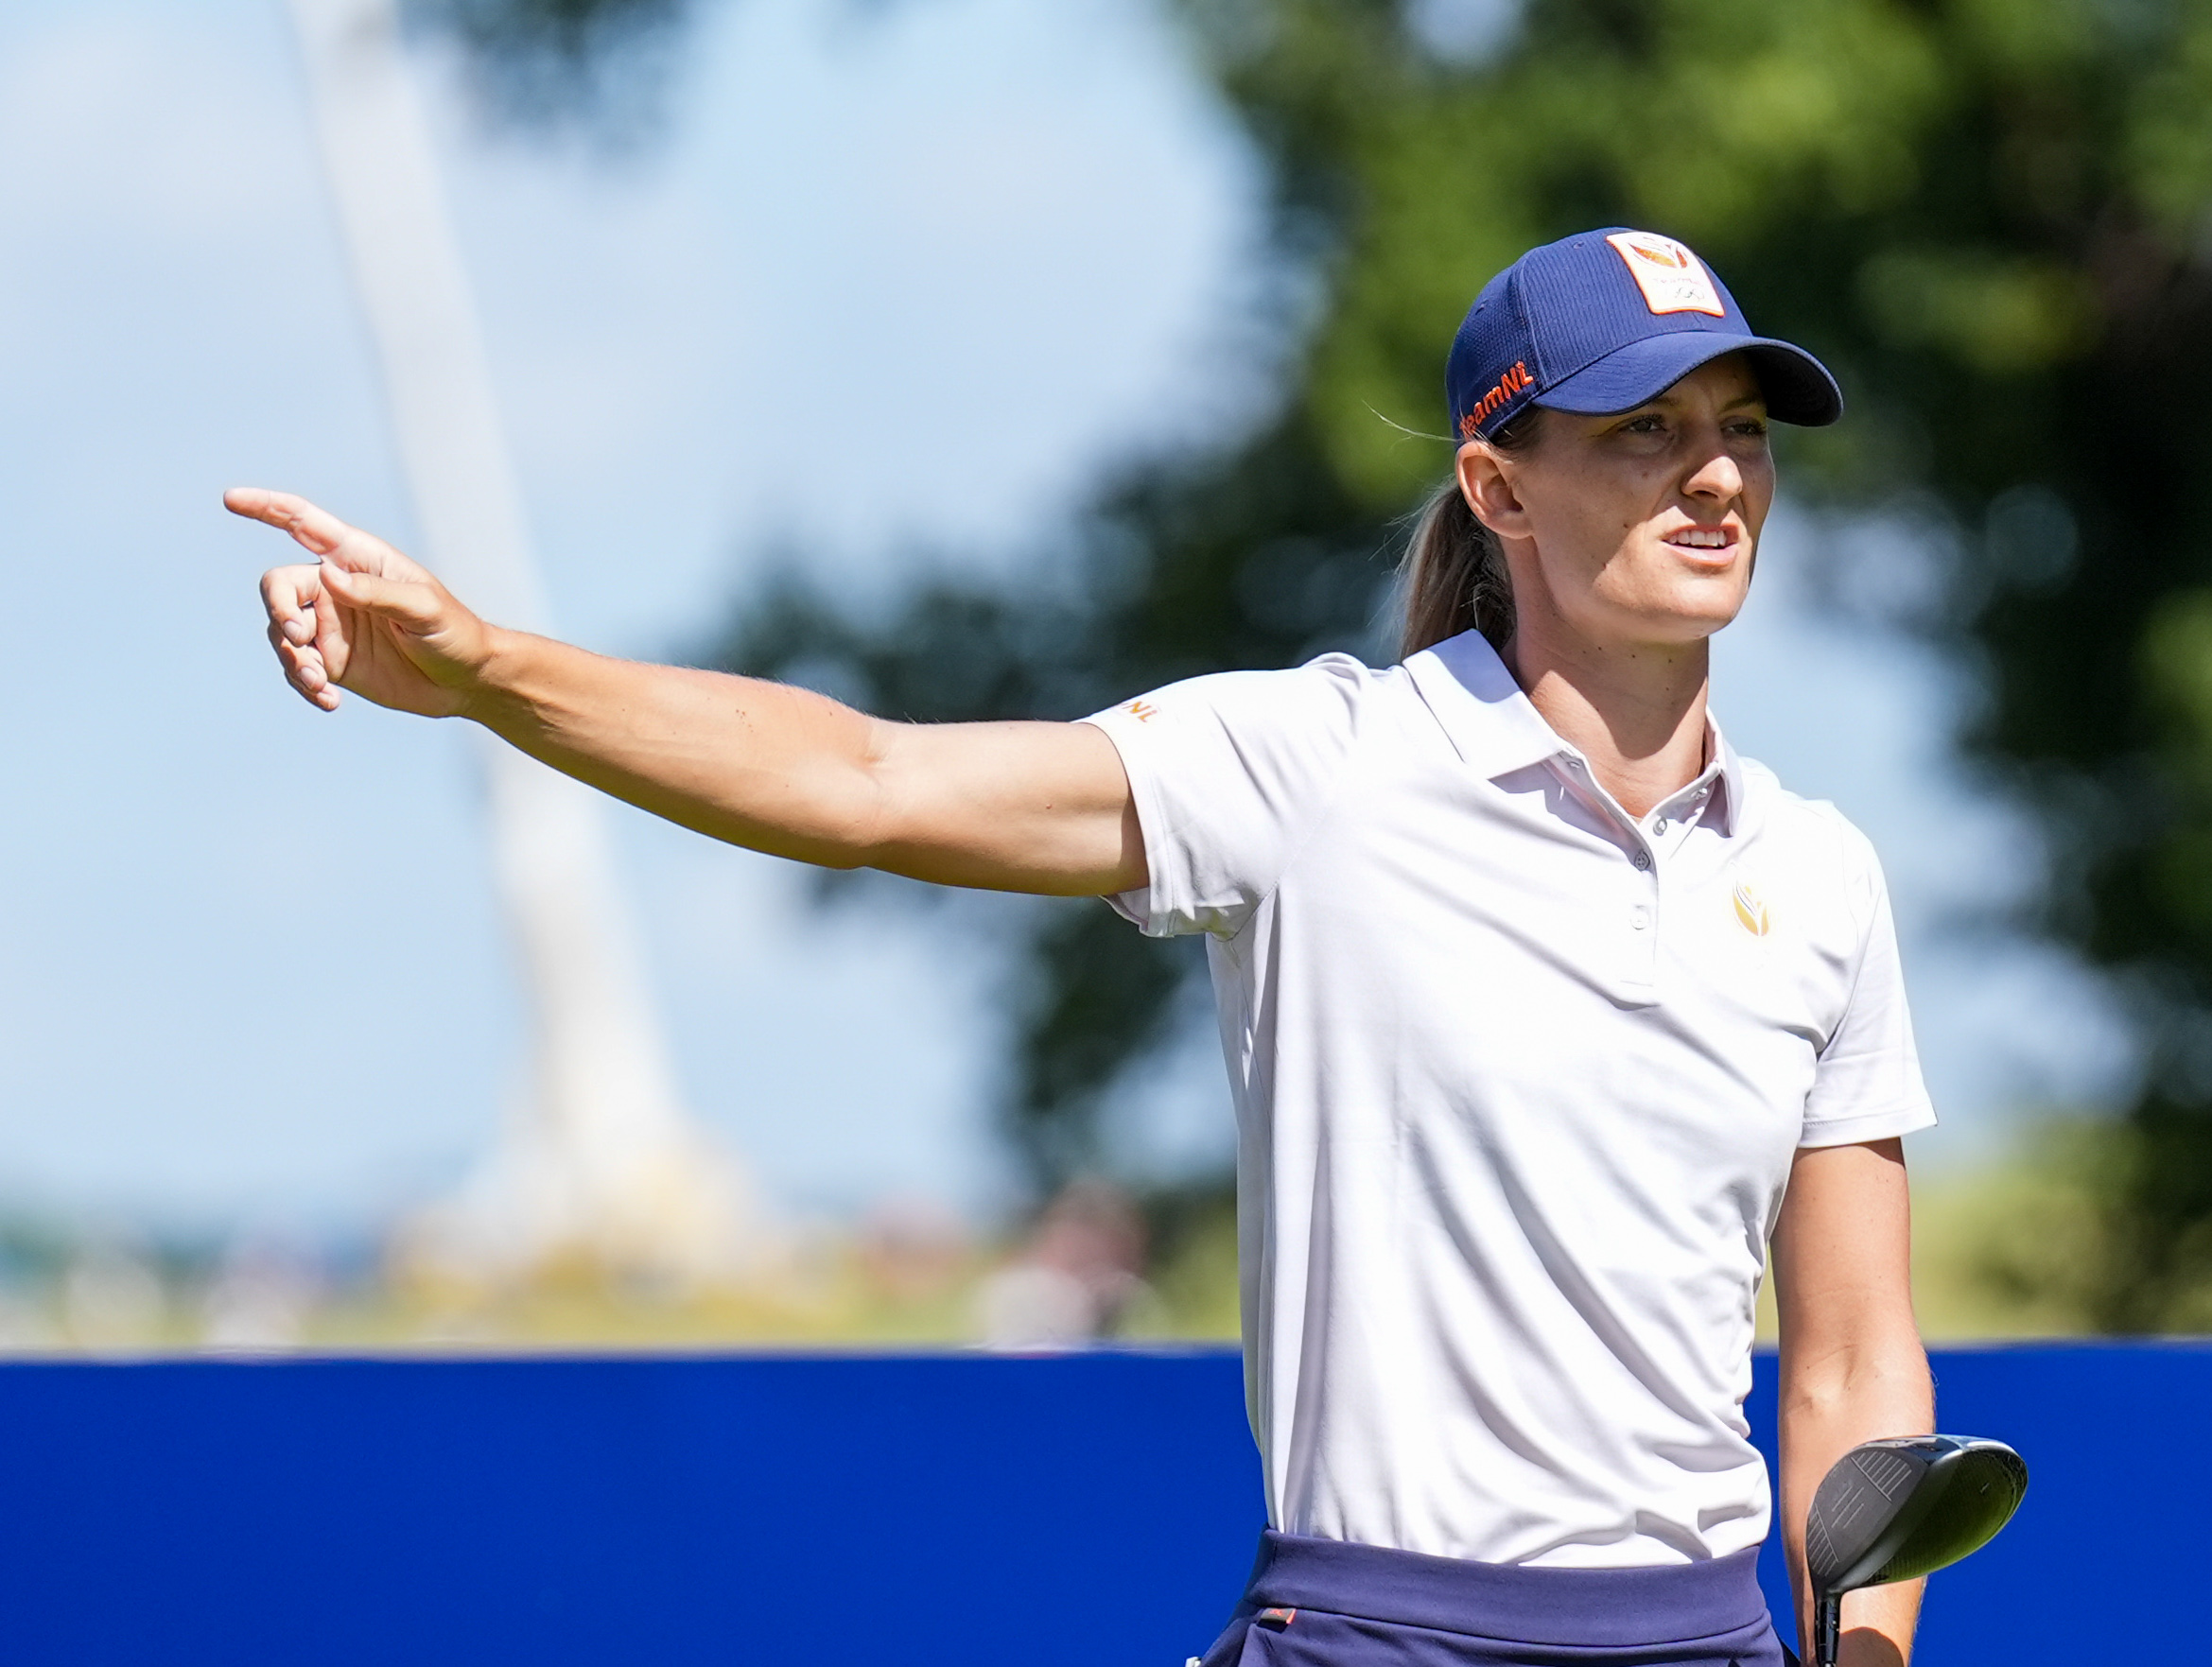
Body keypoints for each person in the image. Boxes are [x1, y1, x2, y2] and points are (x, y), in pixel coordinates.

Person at [239, 227, 1934, 1667]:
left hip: (1709, 1636)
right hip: (1378, 1631)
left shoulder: (1822, 875)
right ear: (1498, 483)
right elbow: (864, 781)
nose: (1715, 471)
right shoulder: (1319, 771)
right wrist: (485, 669)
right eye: (1641, 430)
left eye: (1740, 429)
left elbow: (1853, 1364)